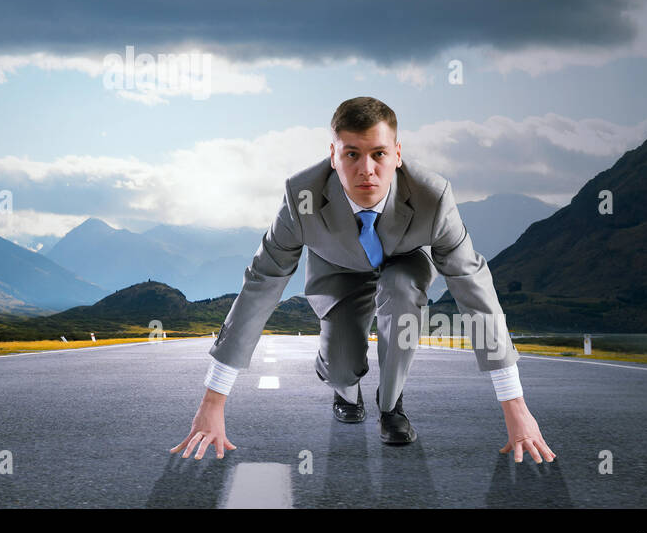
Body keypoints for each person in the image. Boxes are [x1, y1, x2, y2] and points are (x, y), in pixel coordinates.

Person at [170, 96, 556, 463]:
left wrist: (515, 407)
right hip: (336, 270)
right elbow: (262, 283)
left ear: (398, 155)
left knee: (402, 291)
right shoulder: (301, 195)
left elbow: (474, 289)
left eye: (379, 154)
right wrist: (212, 403)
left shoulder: (433, 197)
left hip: (405, 263)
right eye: (352, 154)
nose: (366, 169)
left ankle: (391, 408)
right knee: (341, 363)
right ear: (333, 156)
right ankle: (345, 392)